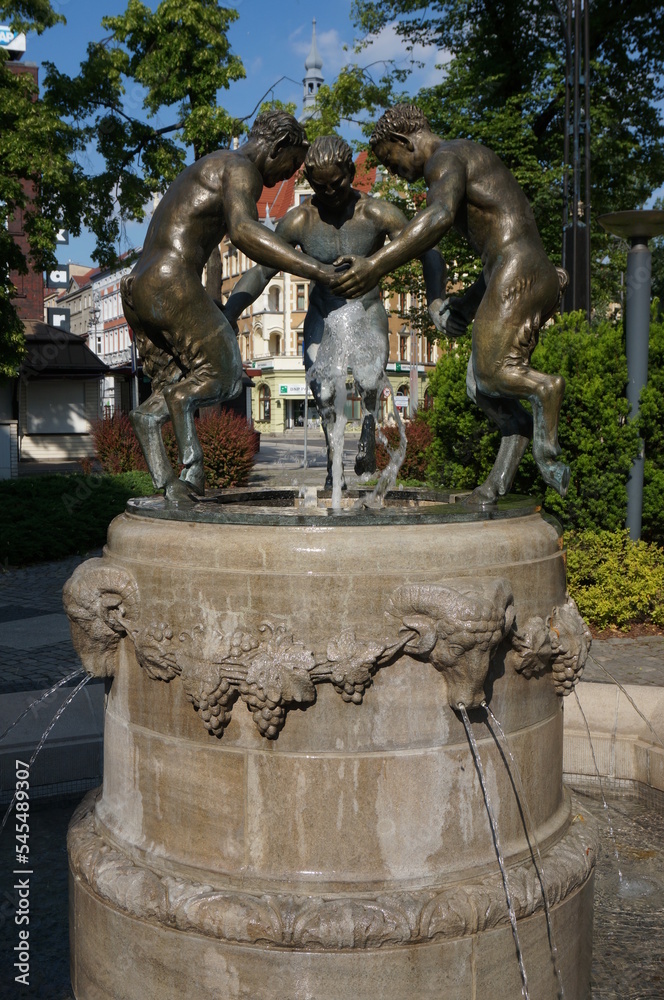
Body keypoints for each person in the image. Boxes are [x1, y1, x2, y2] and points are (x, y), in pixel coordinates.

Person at [330, 104, 569, 503]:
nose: (395, 173)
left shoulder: (445, 159)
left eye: (392, 161)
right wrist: (466, 301)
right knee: (480, 386)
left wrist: (374, 265)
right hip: (512, 270)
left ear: (404, 142)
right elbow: (498, 245)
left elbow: (438, 217)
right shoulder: (462, 159)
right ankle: (494, 487)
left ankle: (546, 395)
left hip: (521, 270)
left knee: (496, 374)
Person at [121, 110, 336, 502]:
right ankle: (192, 467)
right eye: (292, 164)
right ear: (279, 146)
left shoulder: (213, 161)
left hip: (140, 287)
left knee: (174, 384)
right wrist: (316, 268)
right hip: (172, 280)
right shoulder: (241, 169)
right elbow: (244, 232)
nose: (288, 175)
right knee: (225, 375)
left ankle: (167, 475)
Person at [224, 134, 446, 489]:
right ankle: (333, 470)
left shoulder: (378, 212)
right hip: (322, 316)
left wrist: (435, 300)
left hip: (367, 311)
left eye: (337, 183)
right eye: (319, 186)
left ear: (350, 171)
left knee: (371, 380)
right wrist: (231, 310)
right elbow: (262, 269)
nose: (329, 192)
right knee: (323, 392)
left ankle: (369, 427)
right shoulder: (300, 221)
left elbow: (429, 251)